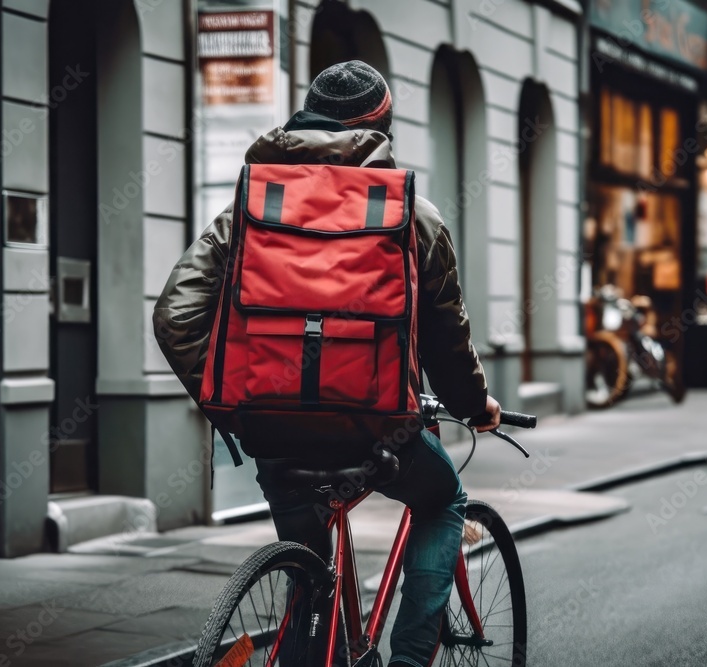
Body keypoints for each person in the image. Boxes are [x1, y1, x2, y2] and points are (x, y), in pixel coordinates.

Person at [153, 60, 501, 667]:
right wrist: (477, 407)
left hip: (271, 430)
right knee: (442, 501)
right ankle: (411, 659)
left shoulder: (249, 209)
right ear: (380, 127)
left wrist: (229, 404)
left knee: (307, 586)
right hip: (374, 432)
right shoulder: (412, 215)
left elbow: (174, 315)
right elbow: (447, 342)